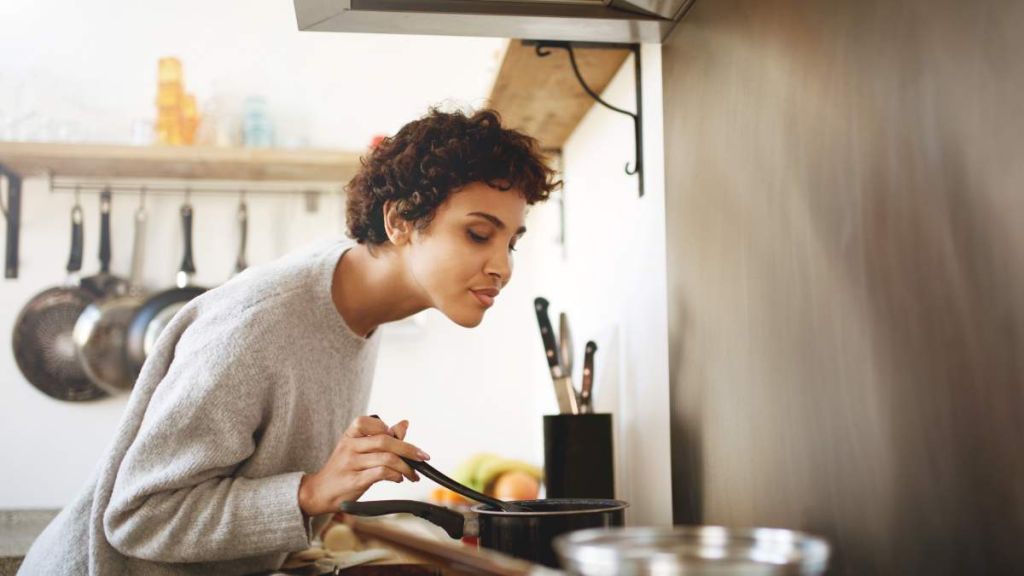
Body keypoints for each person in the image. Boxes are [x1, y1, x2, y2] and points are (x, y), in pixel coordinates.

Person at [18, 107, 559, 575]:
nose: (502, 267)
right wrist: (311, 491)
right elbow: (139, 518)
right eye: (479, 234)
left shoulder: (359, 307)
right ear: (400, 221)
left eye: (512, 241)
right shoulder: (260, 324)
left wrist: (329, 494)